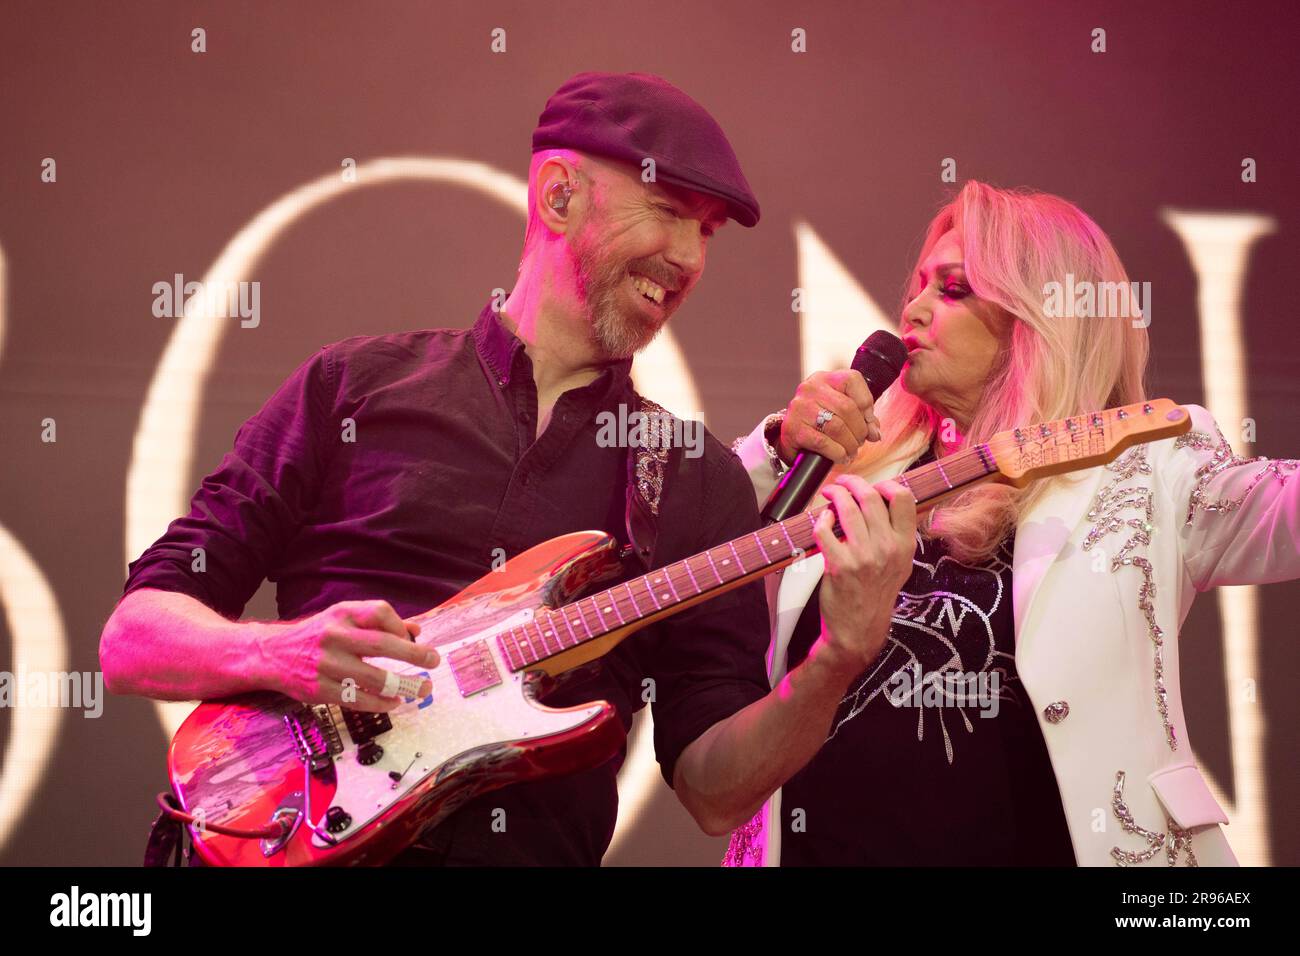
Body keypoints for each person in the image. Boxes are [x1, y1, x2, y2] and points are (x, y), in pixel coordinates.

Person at [99, 71, 917, 866]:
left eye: (705, 232)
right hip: (283, 840)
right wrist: (278, 654)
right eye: (668, 211)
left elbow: (714, 792)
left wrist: (841, 655)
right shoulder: (352, 385)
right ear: (558, 195)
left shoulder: (695, 476)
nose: (686, 257)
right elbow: (133, 640)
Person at [726, 180, 1300, 867]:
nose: (913, 308)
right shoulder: (848, 469)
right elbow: (689, 536)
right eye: (918, 285)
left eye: (954, 289)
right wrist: (779, 449)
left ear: (1042, 318)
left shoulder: (1144, 470)